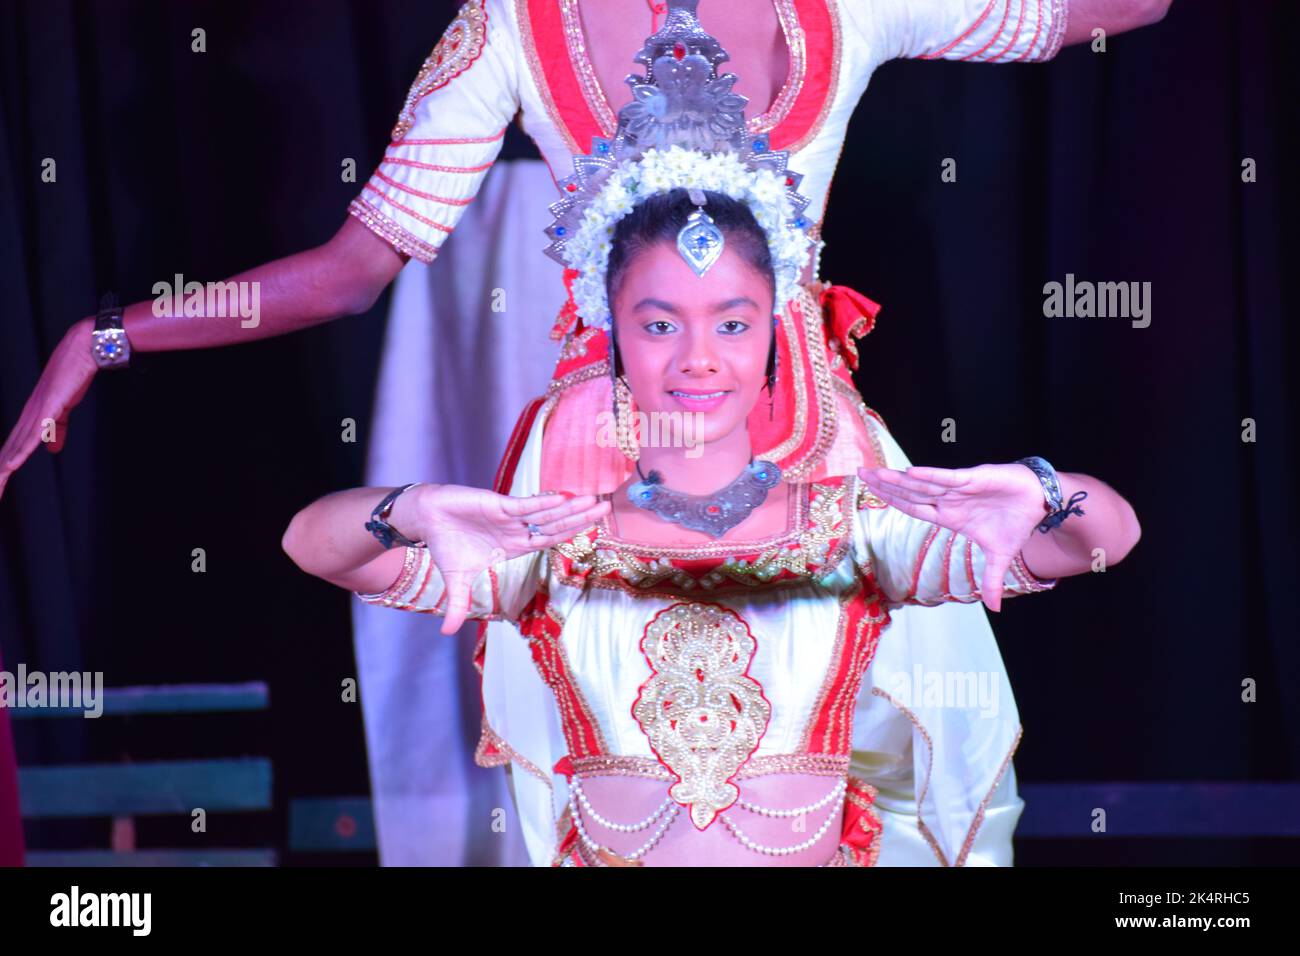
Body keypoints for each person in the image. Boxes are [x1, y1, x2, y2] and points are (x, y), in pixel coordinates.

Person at [0, 0, 1171, 866]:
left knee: (874, 789)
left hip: (820, 464)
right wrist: (110, 336)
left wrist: (1036, 487)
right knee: (622, 802)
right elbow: (353, 272)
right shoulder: (513, 24)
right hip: (594, 474)